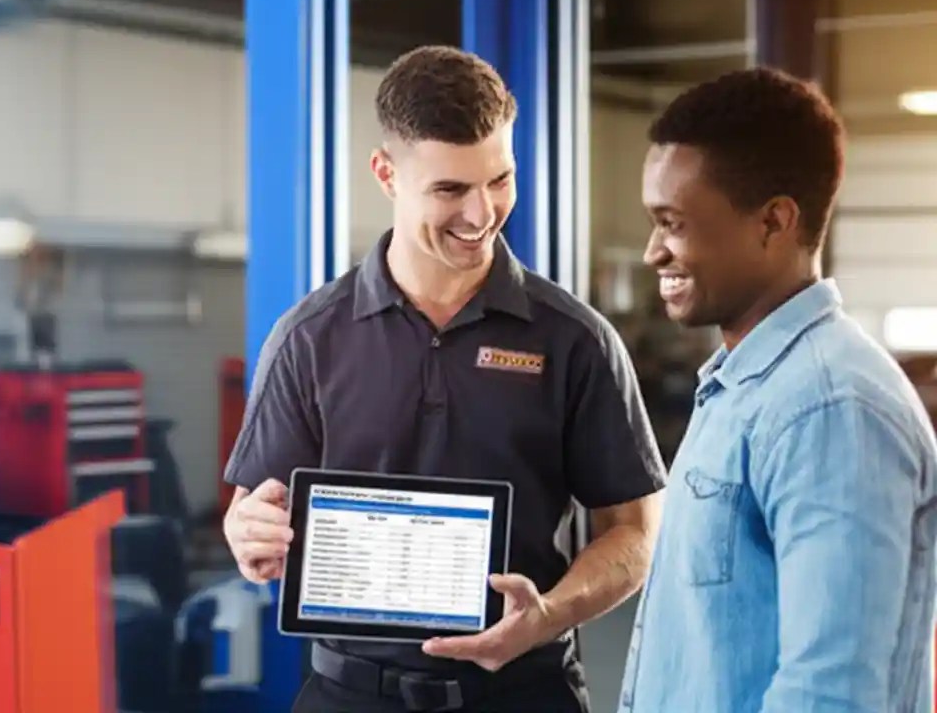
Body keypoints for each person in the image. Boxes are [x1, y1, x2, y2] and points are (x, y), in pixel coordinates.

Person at [222, 45, 666, 713]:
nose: (481, 213)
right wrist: (246, 533)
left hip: (523, 693)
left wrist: (549, 612)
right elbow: (250, 510)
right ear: (385, 174)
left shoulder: (576, 340)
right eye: (450, 189)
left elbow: (634, 533)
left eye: (500, 180)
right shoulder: (310, 337)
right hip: (350, 696)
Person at [619, 67, 937, 713]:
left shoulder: (831, 409)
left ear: (773, 223)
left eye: (673, 222)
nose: (654, 251)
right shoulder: (741, 387)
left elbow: (831, 692)